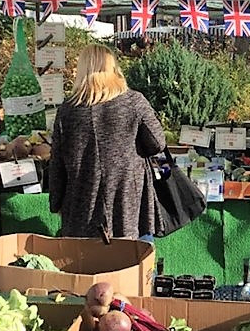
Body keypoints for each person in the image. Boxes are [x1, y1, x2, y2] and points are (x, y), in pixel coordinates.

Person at [49, 44, 165, 240]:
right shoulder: (134, 102)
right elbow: (157, 143)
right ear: (113, 68)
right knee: (136, 264)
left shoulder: (67, 111)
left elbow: (57, 165)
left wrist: (56, 203)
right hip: (129, 204)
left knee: (84, 266)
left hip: (80, 206)